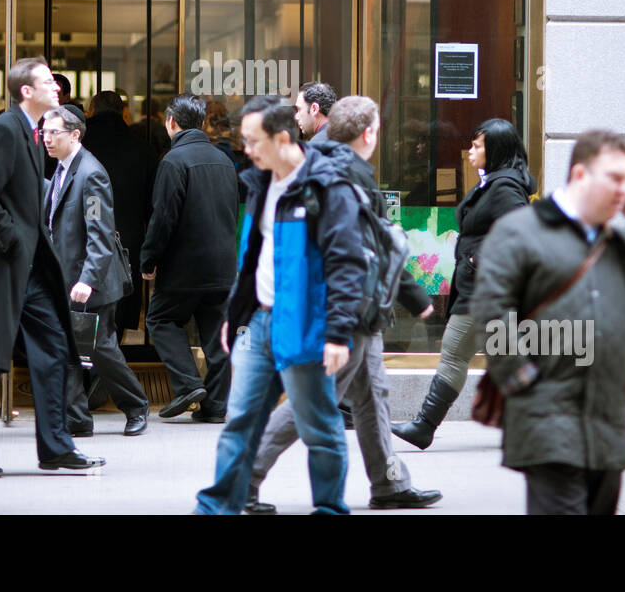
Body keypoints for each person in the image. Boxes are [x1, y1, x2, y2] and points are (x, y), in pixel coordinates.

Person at [470, 129, 625, 515]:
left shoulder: (622, 241)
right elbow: (491, 311)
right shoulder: (520, 231)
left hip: (606, 427)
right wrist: (522, 379)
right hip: (546, 423)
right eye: (615, 178)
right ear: (581, 176)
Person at [245, 96, 441, 512]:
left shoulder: (318, 162)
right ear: (369, 134)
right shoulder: (345, 174)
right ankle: (243, 477)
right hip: (345, 307)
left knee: (374, 395)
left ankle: (389, 483)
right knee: (314, 400)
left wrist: (411, 295)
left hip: (348, 306)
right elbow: (360, 251)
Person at [194, 96, 366, 515]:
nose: (246, 150)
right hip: (259, 323)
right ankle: (217, 506)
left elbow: (347, 263)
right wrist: (236, 315)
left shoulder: (326, 185)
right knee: (239, 421)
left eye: (254, 141)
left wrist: (338, 332)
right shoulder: (258, 183)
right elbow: (253, 259)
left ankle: (329, 507)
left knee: (320, 428)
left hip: (305, 323)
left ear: (283, 137)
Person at [0, 57, 103, 478]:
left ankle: (55, 447)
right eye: (48, 82)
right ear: (26, 91)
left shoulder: (29, 134)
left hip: (27, 271)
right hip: (0, 269)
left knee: (52, 350)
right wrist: (13, 242)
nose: (57, 88)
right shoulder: (4, 131)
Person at [393, 117, 536, 449]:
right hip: (481, 288)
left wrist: (479, 259)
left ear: (495, 149)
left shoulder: (505, 186)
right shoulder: (494, 182)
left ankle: (424, 425)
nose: (470, 150)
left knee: (458, 353)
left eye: (477, 145)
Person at [43, 105, 149, 437]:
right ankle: (76, 419)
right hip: (65, 277)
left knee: (101, 348)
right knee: (67, 346)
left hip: (91, 281)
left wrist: (87, 280)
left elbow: (100, 234)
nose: (46, 138)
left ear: (75, 134)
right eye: (43, 132)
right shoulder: (61, 170)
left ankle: (136, 405)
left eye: (53, 132)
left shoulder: (91, 173)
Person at [140, 93, 239, 422]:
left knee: (159, 319)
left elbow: (162, 218)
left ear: (171, 122)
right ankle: (215, 406)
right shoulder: (223, 160)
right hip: (223, 265)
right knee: (217, 335)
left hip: (183, 267)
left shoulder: (172, 161)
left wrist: (149, 259)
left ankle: (186, 385)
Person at [83, 90, 156, 335]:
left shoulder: (79, 144)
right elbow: (151, 205)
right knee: (119, 309)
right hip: (128, 241)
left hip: (83, 238)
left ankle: (85, 366)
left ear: (91, 111)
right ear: (123, 113)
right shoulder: (141, 147)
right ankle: (114, 358)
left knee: (82, 307)